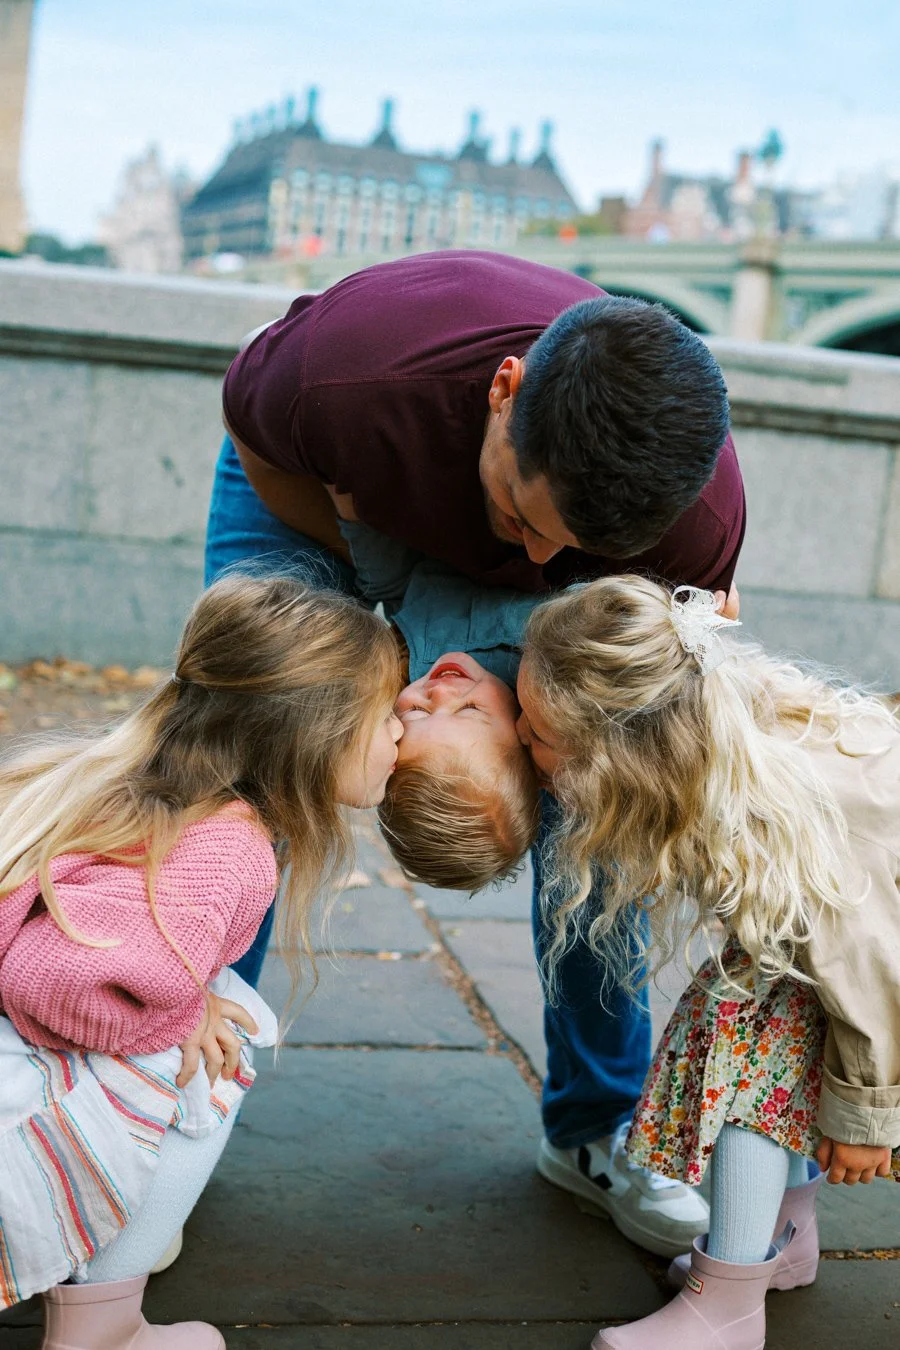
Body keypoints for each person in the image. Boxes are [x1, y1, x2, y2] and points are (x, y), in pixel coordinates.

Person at [206, 248, 745, 1256]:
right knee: (252, 762)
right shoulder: (349, 381)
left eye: (563, 546)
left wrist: (573, 741)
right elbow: (258, 438)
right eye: (519, 519)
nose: (533, 561)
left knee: (602, 817)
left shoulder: (690, 517)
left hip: (534, 583)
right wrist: (362, 560)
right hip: (328, 490)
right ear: (505, 395)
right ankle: (158, 1087)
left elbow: (669, 686)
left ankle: (597, 1124)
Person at [0, 572, 402, 1349]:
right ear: (317, 733)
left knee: (214, 1006)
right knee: (221, 1051)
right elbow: (54, 979)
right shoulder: (228, 847)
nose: (398, 735)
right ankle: (102, 1326)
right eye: (384, 714)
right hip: (19, 1091)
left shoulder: (163, 779)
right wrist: (186, 1011)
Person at [514, 576, 900, 1349]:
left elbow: (865, 960)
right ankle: (779, 1243)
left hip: (883, 980)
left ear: (616, 748)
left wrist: (868, 1112)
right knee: (761, 1000)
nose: (522, 739)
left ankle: (727, 1307)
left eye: (537, 730)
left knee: (746, 1027)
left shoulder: (769, 806)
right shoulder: (720, 732)